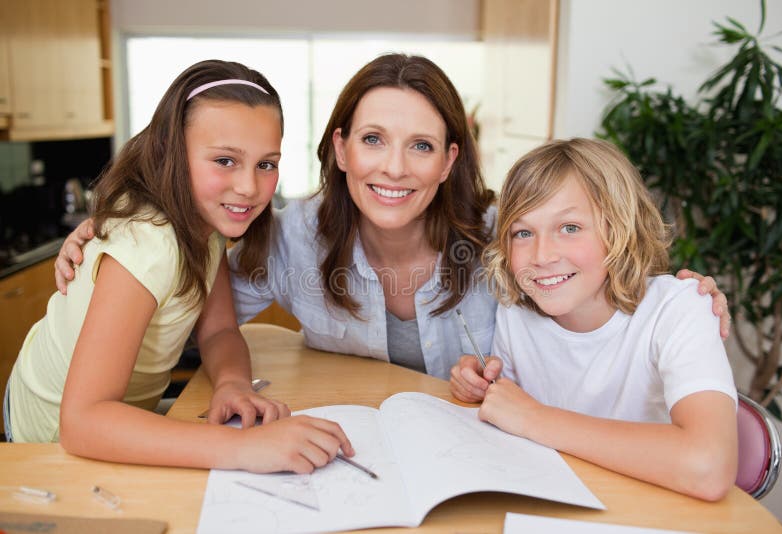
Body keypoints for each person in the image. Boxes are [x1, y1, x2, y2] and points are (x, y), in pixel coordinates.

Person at [53, 54, 731, 381]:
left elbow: (602, 286)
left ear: (449, 161)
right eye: (374, 140)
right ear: (342, 147)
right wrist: (108, 233)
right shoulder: (289, 237)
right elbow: (201, 297)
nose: (395, 169)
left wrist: (683, 295)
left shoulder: (509, 234)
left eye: (422, 147)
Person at [4, 60, 354, 474]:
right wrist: (244, 448)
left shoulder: (205, 227)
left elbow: (220, 330)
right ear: (173, 152)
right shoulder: (148, 244)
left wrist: (232, 385)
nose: (248, 186)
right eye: (225, 160)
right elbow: (82, 422)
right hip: (45, 441)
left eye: (266, 164)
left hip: (118, 417)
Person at [449, 138, 737, 501]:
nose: (541, 255)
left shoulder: (681, 309)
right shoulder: (516, 312)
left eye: (569, 227)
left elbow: (708, 467)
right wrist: (481, 388)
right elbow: (512, 426)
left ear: (619, 229)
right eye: (523, 233)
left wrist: (535, 418)